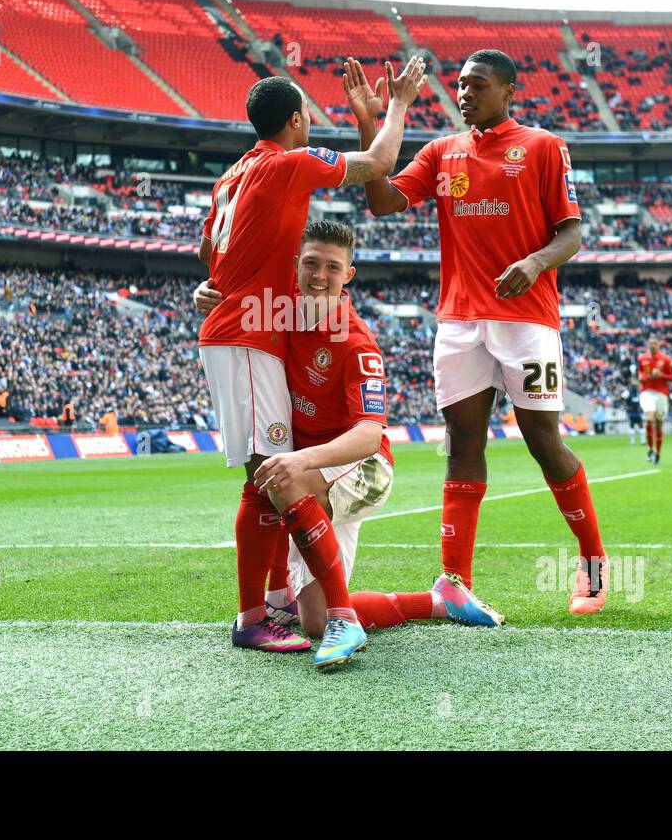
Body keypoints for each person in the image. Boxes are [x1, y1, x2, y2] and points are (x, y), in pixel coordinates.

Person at [351, 50, 608, 615]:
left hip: (527, 320)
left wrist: (537, 262)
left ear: (509, 91)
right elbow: (380, 201)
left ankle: (593, 565)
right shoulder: (442, 152)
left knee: (544, 442)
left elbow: (572, 234)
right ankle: (454, 583)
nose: (465, 93)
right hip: (460, 322)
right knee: (462, 447)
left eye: (479, 85)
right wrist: (372, 122)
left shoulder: (542, 146)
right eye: (461, 85)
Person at [195, 60, 427, 664]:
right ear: (297, 121)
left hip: (242, 328)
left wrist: (219, 285)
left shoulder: (232, 174)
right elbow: (378, 166)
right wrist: (395, 107)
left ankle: (275, 602)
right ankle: (259, 617)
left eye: (332, 270)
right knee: (264, 477)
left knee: (267, 476)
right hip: (248, 335)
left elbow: (207, 250)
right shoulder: (288, 164)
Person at [197, 221, 500, 664]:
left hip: (365, 468)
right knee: (311, 621)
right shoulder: (281, 308)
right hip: (316, 473)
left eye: (332, 268)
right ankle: (439, 600)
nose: (319, 276)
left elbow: (368, 435)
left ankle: (345, 617)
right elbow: (228, 278)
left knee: (280, 477)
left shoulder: (356, 342)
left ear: (348, 276)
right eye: (311, 264)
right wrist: (206, 295)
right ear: (295, 266)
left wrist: (300, 461)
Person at [638, 337, 672, 464]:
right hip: (647, 392)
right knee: (649, 419)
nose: (652, 345)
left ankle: (657, 452)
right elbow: (640, 373)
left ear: (658, 345)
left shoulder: (666, 359)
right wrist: (642, 377)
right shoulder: (642, 358)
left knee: (659, 424)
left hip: (661, 394)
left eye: (654, 343)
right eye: (650, 343)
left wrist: (661, 375)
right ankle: (650, 448)